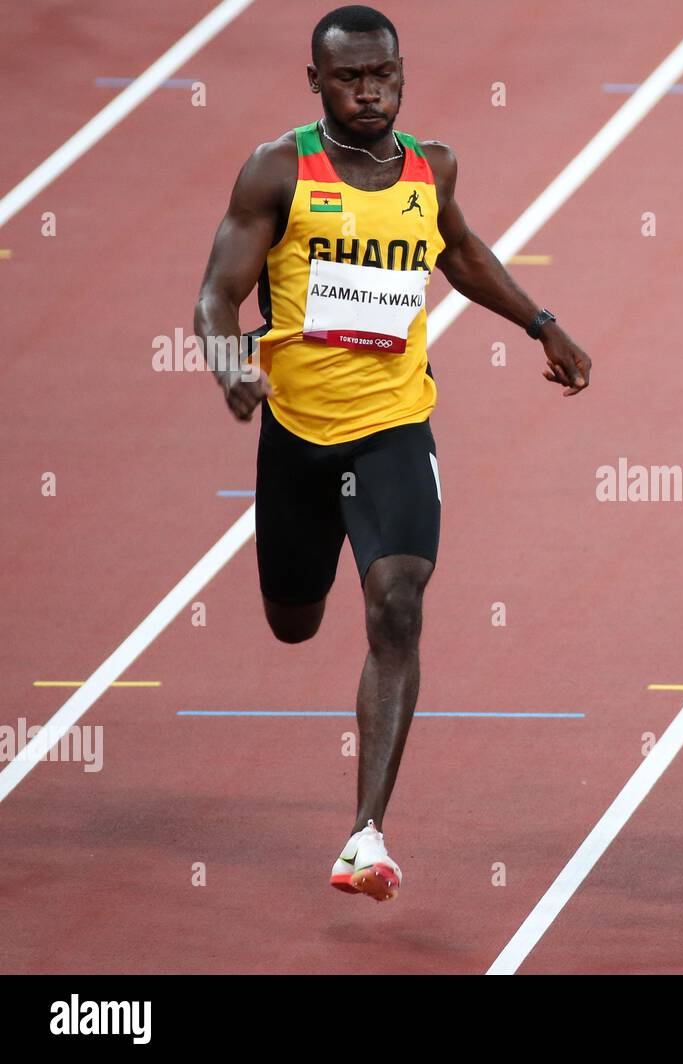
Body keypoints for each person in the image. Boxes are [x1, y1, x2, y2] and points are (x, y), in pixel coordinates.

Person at [193, 5, 591, 902]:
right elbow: (216, 296)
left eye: (383, 74)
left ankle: (365, 834)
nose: (369, 90)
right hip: (295, 433)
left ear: (401, 72)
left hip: (394, 427)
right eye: (348, 77)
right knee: (293, 623)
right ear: (315, 83)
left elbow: (458, 250)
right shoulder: (277, 171)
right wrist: (228, 367)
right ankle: (308, 596)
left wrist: (542, 325)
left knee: (398, 603)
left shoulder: (431, 167)